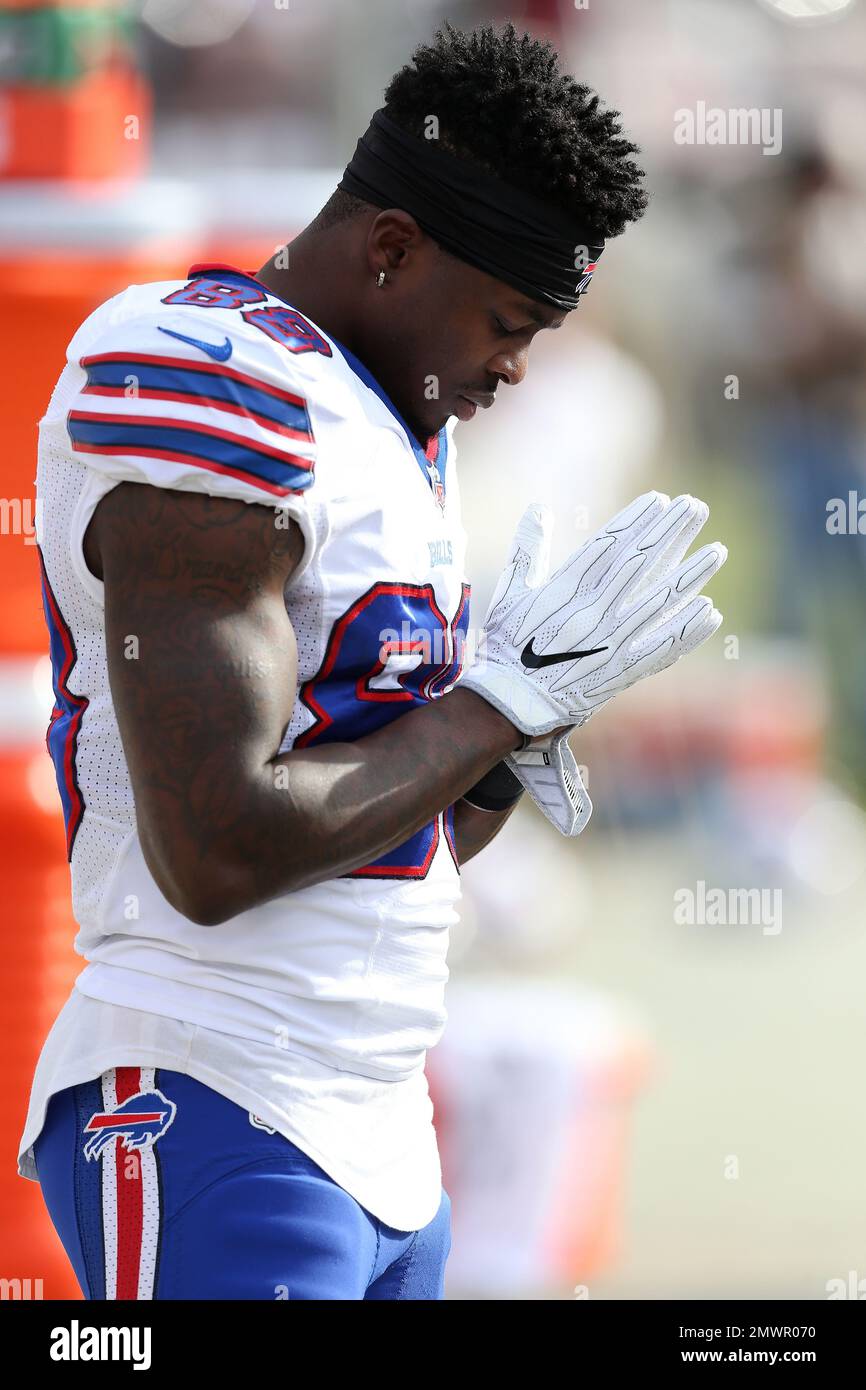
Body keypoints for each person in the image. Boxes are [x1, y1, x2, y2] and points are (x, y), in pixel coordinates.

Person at [18, 21, 725, 1300]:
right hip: (213, 1090)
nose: (513, 369)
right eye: (509, 323)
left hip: (379, 1124)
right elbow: (217, 849)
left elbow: (397, 852)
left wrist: (509, 745)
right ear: (393, 248)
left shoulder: (390, 412)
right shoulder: (207, 372)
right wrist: (490, 708)